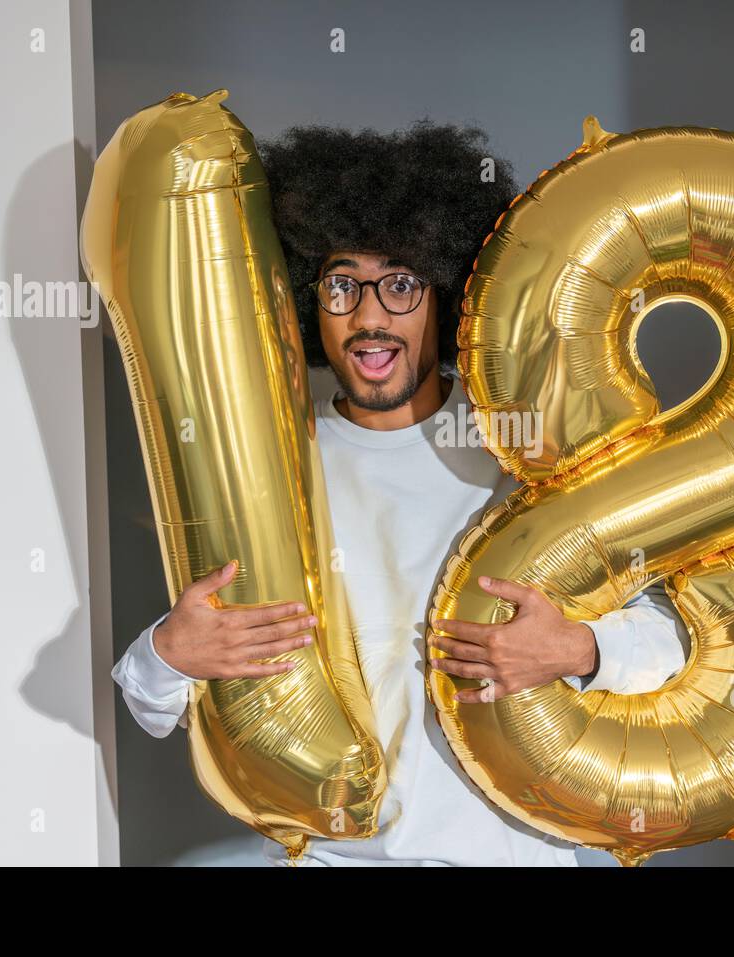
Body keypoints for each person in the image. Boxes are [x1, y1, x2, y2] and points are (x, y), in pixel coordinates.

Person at [111, 121, 689, 866]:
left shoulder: (525, 452)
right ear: (307, 300)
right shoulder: (275, 468)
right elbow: (150, 704)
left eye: (402, 283)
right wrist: (168, 650)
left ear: (445, 297)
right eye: (342, 284)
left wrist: (577, 647)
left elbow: (671, 642)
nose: (370, 316)